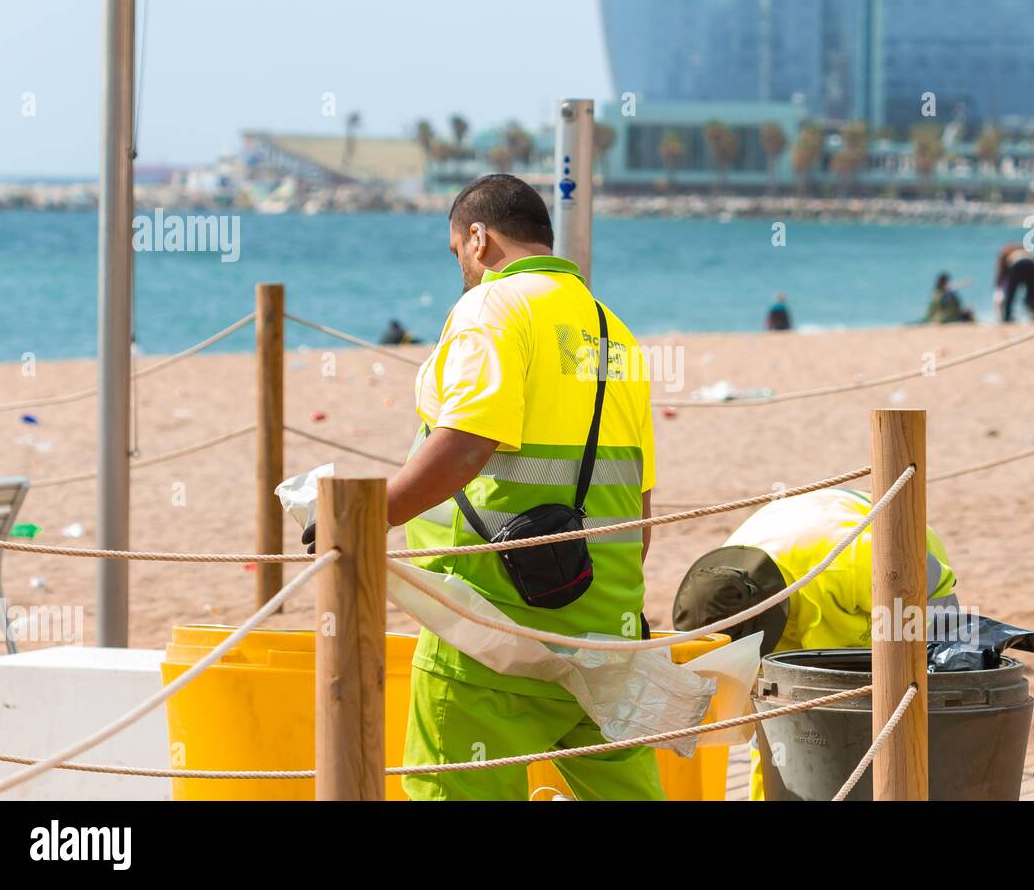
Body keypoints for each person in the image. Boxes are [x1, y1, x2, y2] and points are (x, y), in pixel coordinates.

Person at [308, 174, 662, 801]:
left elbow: (468, 442)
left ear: (478, 238)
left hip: (491, 626)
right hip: (606, 625)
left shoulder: (493, 307)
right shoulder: (616, 333)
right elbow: (640, 510)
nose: (462, 271)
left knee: (453, 788)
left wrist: (365, 516)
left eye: (456, 254)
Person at [670, 488, 959, 800]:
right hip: (802, 592)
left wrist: (931, 659)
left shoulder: (857, 561)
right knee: (776, 724)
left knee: (900, 717)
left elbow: (934, 586)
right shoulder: (719, 587)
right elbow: (770, 734)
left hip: (901, 582)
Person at [995, 243, 1034, 322]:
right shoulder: (1027, 253)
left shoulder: (1012, 254)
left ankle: (1007, 317)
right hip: (1031, 265)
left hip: (1016, 266)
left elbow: (1004, 273)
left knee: (1011, 294)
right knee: (1032, 293)